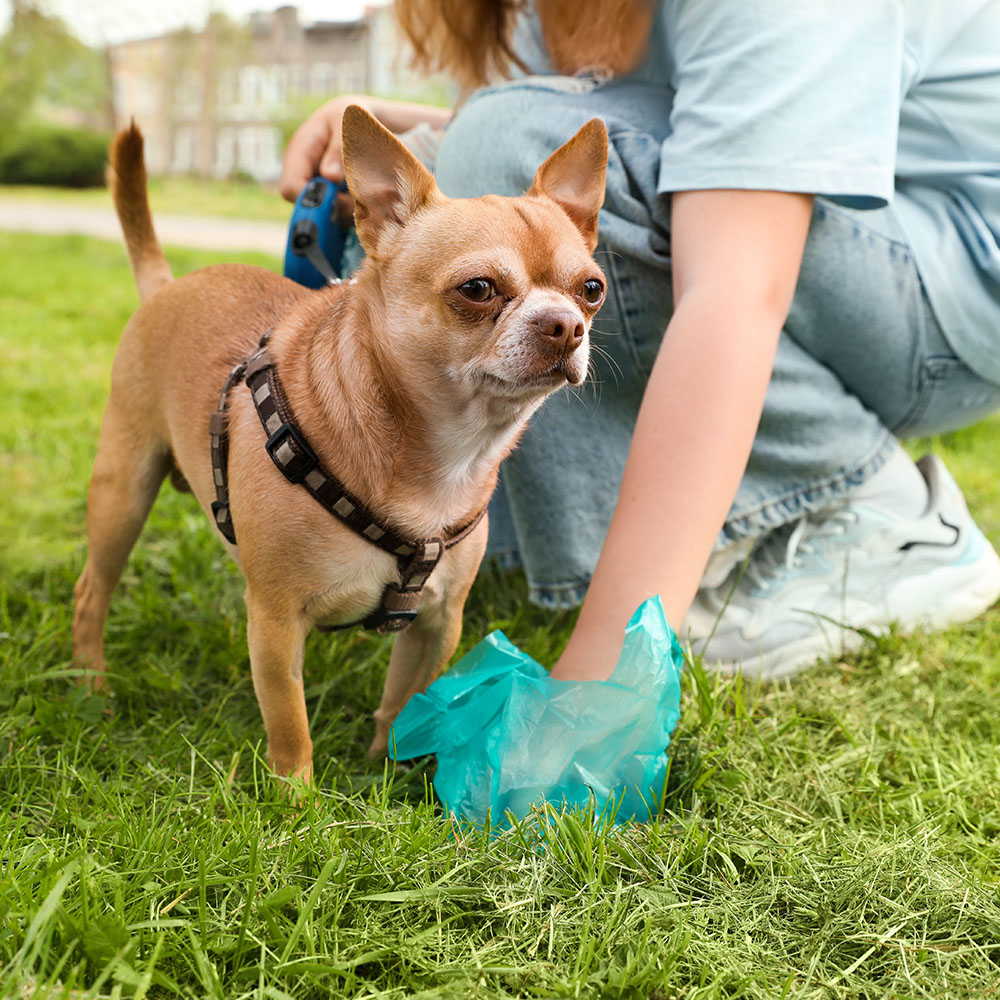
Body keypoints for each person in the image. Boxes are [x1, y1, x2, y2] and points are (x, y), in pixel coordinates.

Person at [282, 0, 1000, 684]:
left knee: (506, 137)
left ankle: (869, 507)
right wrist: (431, 130)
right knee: (469, 147)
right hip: (854, 257)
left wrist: (603, 674)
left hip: (953, 291)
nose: (568, 323)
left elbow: (737, 288)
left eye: (582, 301)